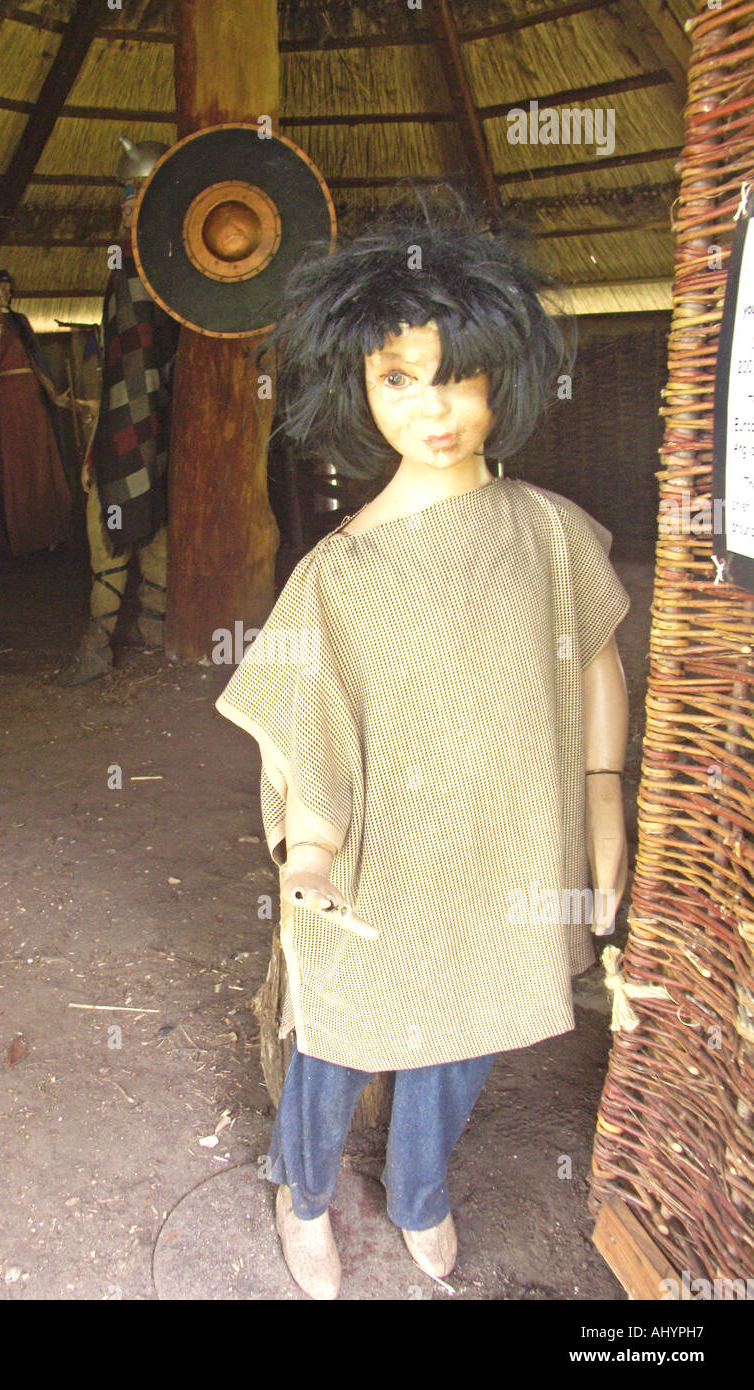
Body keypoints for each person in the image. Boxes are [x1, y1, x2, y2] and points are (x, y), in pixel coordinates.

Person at [215, 197, 631, 1299]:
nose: (433, 406)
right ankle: (300, 1191)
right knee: (341, 1027)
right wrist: (310, 849)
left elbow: (595, 661)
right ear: (360, 386)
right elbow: (308, 716)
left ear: (504, 377)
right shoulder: (339, 573)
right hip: (376, 857)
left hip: (502, 845)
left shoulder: (547, 531)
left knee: (471, 1017)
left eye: (457, 374)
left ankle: (419, 1188)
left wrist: (603, 799)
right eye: (400, 376)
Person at [58, 138, 179, 684]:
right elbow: (121, 370)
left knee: (134, 523)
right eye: (124, 195)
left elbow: (148, 366)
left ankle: (116, 642)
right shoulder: (129, 268)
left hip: (155, 422)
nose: (126, 204)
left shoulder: (158, 268)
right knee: (126, 518)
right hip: (132, 423)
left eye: (139, 193)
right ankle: (116, 640)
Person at [0, 269, 73, 557]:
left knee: (39, 461)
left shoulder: (19, 323)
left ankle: (52, 532)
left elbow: (36, 362)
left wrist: (53, 394)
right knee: (14, 468)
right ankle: (23, 539)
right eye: (2, 289)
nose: (8, 293)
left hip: (30, 398)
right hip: (5, 403)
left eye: (9, 288)